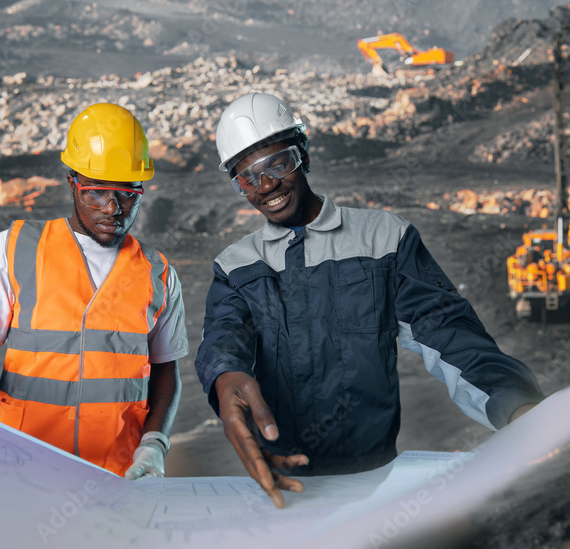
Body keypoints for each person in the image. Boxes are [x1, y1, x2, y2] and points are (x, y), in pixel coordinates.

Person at [195, 93, 544, 508]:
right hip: (285, 490)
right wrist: (224, 376)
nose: (266, 185)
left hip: (376, 487)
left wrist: (515, 405)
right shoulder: (235, 266)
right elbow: (224, 338)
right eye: (247, 178)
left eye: (278, 164)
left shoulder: (385, 239)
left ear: (304, 156)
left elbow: (448, 333)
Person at [0, 103, 187, 480]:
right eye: (96, 192)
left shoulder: (158, 274)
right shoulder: (12, 250)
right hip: (21, 476)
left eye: (128, 193)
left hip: (119, 480)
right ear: (72, 183)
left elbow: (165, 371)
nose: (113, 208)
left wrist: (154, 444)